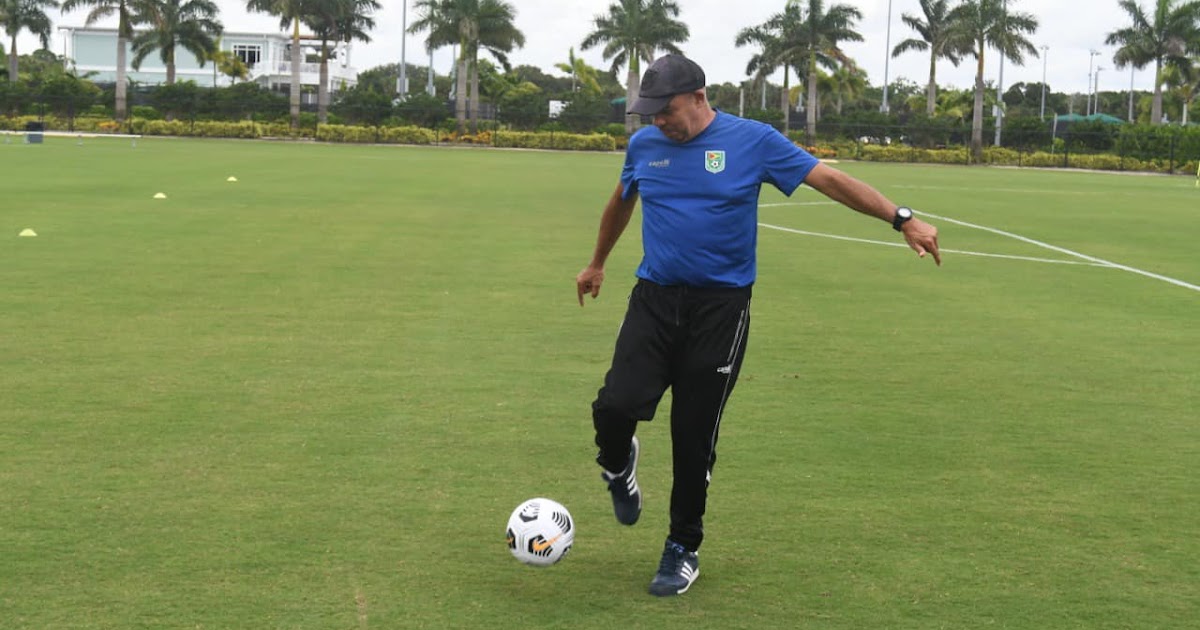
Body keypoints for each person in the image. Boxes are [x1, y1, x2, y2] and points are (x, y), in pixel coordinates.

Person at [575, 54, 941, 597]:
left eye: (667, 110)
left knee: (693, 435)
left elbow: (828, 179)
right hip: (654, 300)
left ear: (699, 97)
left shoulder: (754, 141)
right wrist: (597, 262)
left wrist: (900, 218)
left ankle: (682, 547)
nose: (659, 122)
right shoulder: (644, 147)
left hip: (720, 310)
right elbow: (621, 201)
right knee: (613, 406)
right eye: (650, 114)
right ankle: (617, 461)